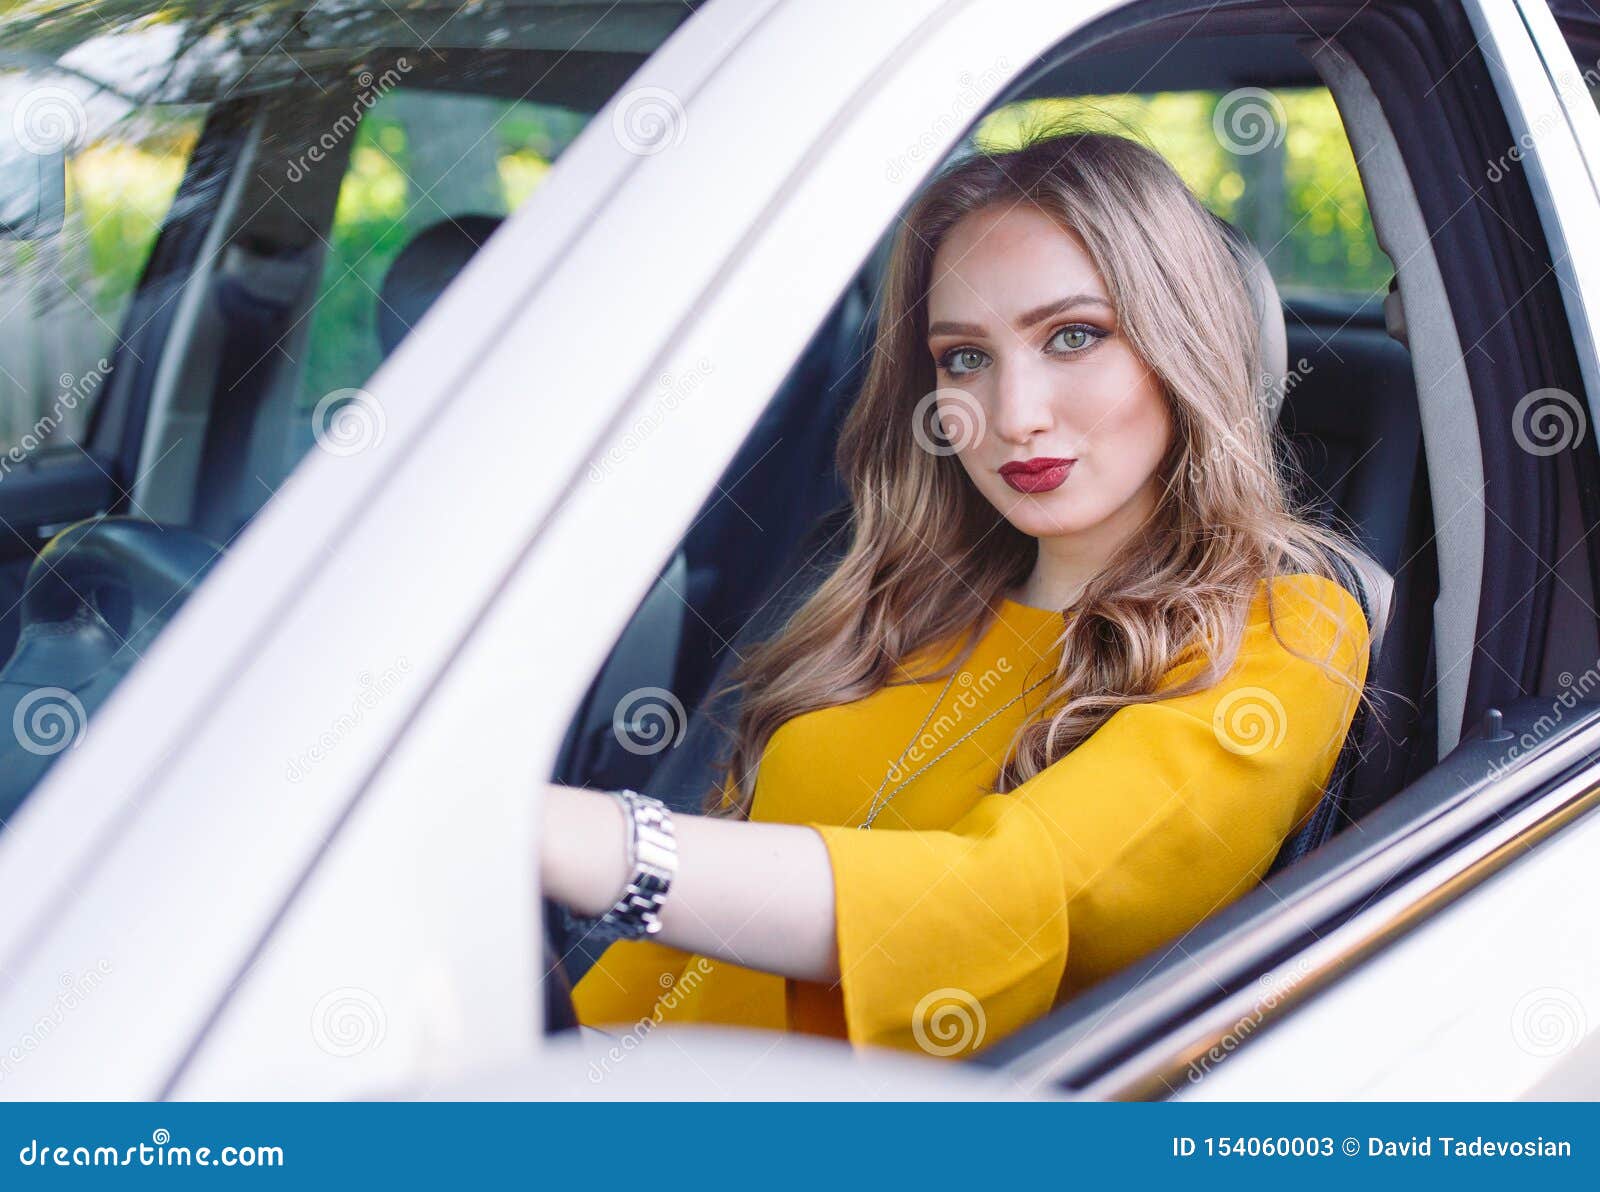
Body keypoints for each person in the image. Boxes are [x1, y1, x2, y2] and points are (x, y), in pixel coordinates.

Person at [539, 124, 1372, 1058]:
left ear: (1182, 347)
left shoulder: (1284, 631)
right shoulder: (888, 601)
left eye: (1074, 336)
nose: (1013, 416)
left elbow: (1006, 896)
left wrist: (587, 841)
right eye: (964, 357)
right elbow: (688, 955)